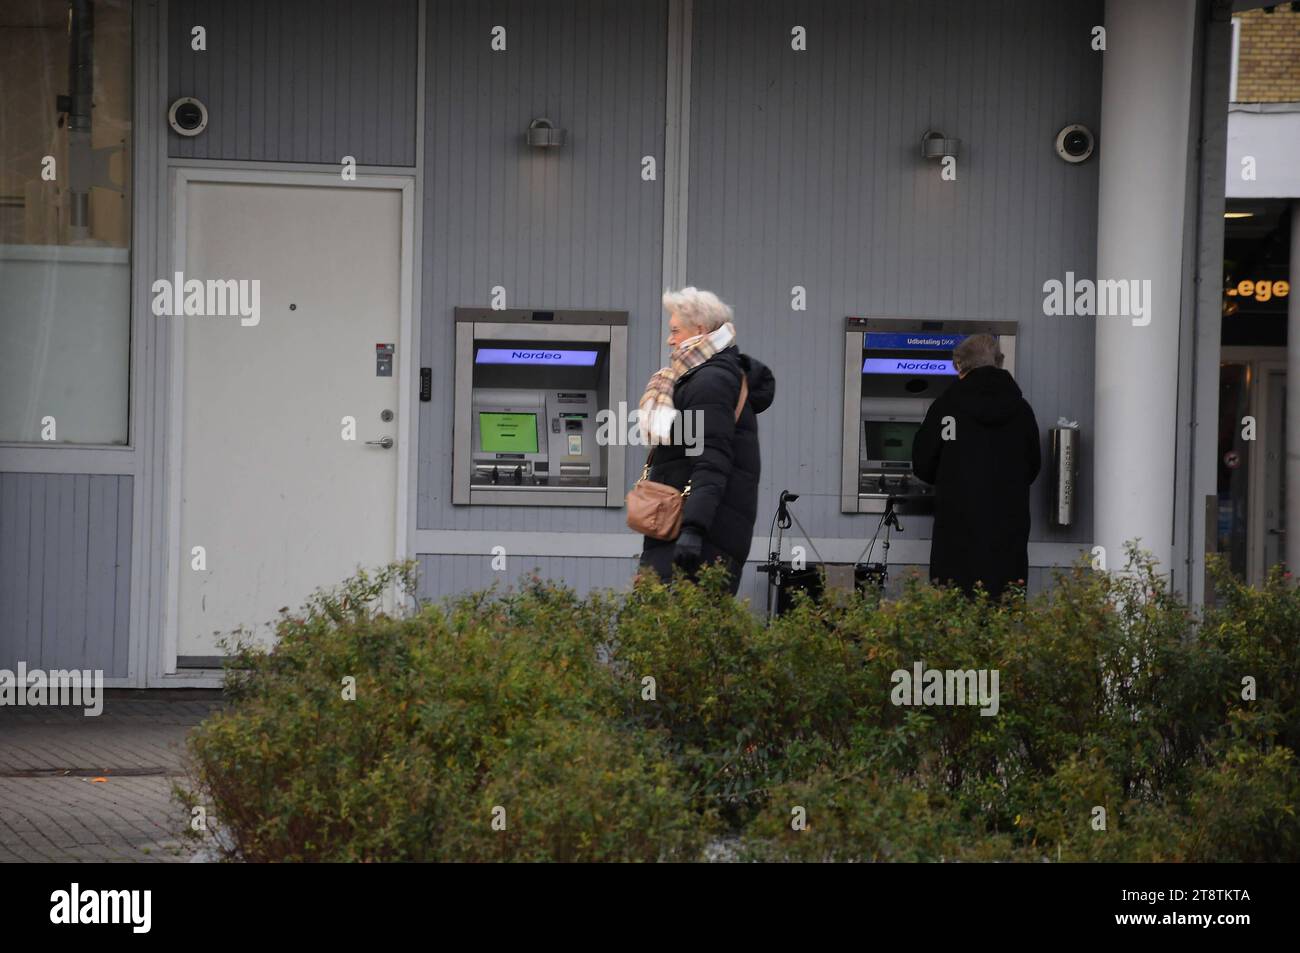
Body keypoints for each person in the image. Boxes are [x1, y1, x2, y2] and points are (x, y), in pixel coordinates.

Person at [636, 288, 776, 595]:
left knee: (668, 634)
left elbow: (711, 461)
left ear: (699, 329)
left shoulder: (710, 382)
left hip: (700, 538)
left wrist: (693, 530)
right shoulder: (700, 377)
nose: (669, 339)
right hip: (689, 528)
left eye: (675, 330)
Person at [911, 333, 1041, 601]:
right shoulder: (1021, 410)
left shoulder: (945, 407)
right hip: (1008, 534)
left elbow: (923, 465)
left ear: (960, 365)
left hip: (957, 533)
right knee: (1001, 610)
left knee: (956, 611)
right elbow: (1033, 467)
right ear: (999, 363)